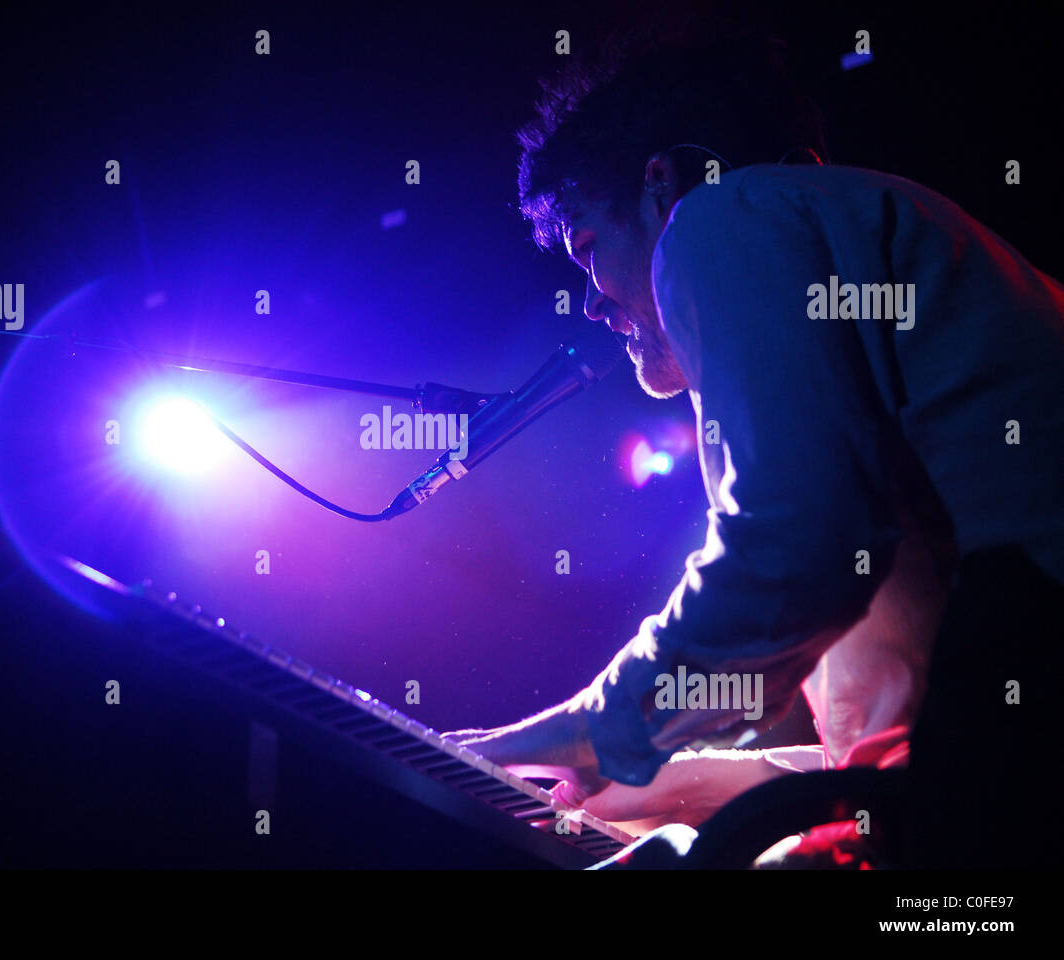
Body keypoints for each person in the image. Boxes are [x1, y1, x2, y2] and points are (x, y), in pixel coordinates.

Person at [446, 30, 1064, 867]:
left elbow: (798, 539)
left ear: (664, 185)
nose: (591, 306)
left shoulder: (723, 215)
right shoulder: (874, 233)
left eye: (587, 249)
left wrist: (597, 725)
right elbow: (883, 752)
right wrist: (659, 778)